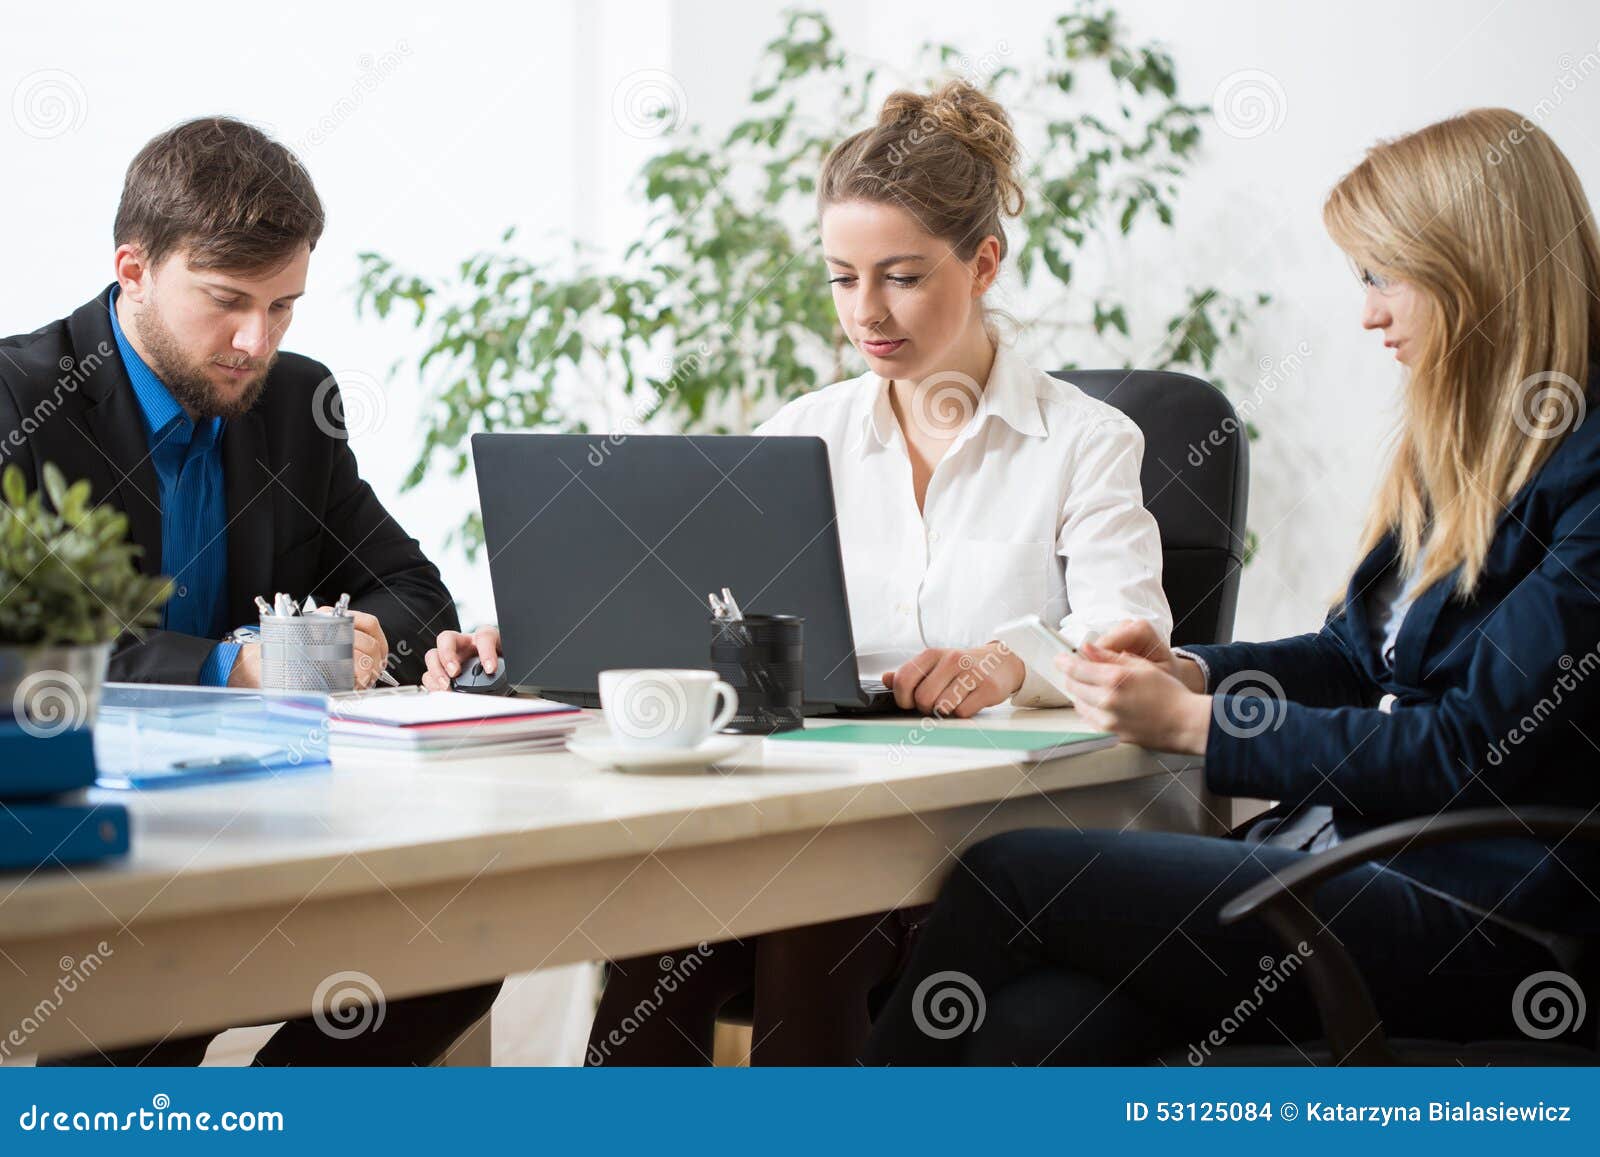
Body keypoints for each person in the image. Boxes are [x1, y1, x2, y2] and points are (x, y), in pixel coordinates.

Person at [426, 80, 1172, 1062]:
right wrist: (522, 635)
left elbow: (1130, 637)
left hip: (981, 841)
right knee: (667, 913)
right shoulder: (796, 437)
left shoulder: (1085, 442)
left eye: (901, 276)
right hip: (805, 806)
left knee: (807, 909)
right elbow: (692, 610)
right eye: (840, 277)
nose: (866, 311)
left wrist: (1012, 660)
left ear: (983, 262)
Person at [864, 108, 1600, 1065]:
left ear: (1479, 272)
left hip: (1485, 908)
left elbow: (1466, 746)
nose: (1369, 313)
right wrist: (1192, 673)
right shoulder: (1465, 445)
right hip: (1357, 859)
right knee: (1040, 1025)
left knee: (1007, 874)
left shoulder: (1585, 472)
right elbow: (1349, 658)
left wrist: (1200, 730)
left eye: (1386, 278)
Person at [1, 116, 499, 1065]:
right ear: (133, 268)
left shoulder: (292, 403)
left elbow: (412, 593)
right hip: (88, 828)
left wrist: (341, 644)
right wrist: (233, 664)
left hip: (272, 819)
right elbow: (18, 645)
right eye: (227, 300)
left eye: (283, 306)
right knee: (146, 1021)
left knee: (457, 945)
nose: (251, 339)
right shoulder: (21, 400)